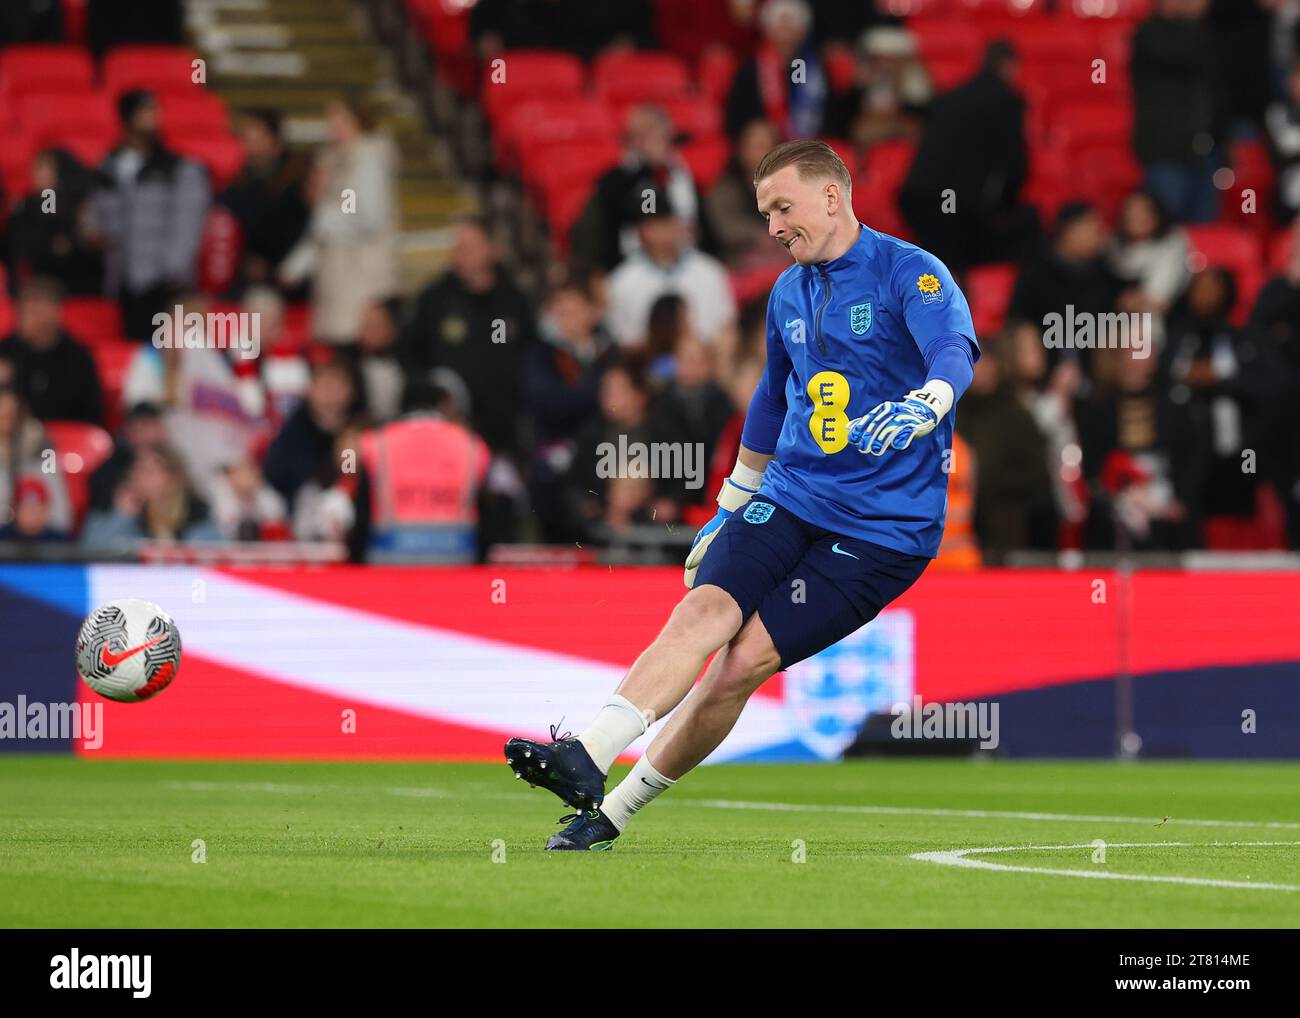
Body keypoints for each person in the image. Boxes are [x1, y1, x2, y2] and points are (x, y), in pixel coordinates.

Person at [503, 140, 979, 850]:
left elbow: (955, 351)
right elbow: (769, 398)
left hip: (883, 530)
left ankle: (614, 814)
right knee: (703, 607)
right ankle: (588, 755)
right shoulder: (788, 290)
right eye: (764, 212)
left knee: (741, 664)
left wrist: (930, 400)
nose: (773, 226)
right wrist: (729, 504)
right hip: (790, 494)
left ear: (831, 196)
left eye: (782, 207)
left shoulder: (911, 272)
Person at [898, 39, 1035, 272]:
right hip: (955, 204)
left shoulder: (951, 96)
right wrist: (1005, 205)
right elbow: (1015, 163)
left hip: (918, 197)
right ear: (1009, 65)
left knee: (939, 269)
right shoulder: (1006, 99)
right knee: (952, 272)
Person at [92, 90, 211, 341]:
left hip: (163, 282)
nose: (154, 118)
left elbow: (188, 223)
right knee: (136, 358)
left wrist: (173, 270)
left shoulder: (179, 167)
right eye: (146, 112)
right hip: (123, 281)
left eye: (156, 111)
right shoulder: (109, 166)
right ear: (127, 118)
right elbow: (99, 214)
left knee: (169, 354)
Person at [280, 96, 400, 345]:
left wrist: (323, 212)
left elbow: (363, 216)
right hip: (339, 279)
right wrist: (297, 265)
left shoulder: (366, 159)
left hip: (361, 281)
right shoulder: (338, 161)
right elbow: (335, 218)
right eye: (330, 117)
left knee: (354, 351)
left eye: (339, 117)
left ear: (357, 120)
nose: (332, 124)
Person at [604, 191, 737, 347]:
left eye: (668, 221)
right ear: (641, 230)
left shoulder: (709, 271)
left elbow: (727, 329)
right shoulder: (622, 281)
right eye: (654, 224)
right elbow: (622, 342)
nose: (664, 230)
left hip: (705, 362)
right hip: (648, 366)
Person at [217, 109, 311, 289]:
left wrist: (273, 264)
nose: (248, 140)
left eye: (256, 133)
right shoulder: (236, 184)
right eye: (245, 135)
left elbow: (305, 233)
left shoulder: (297, 183)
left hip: (292, 280)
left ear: (275, 141)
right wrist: (245, 260)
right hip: (243, 279)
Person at [0, 277, 104, 425]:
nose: (24, 317)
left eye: (34, 311)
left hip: (66, 441)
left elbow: (91, 416)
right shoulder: (5, 351)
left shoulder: (78, 358)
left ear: (55, 313)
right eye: (22, 309)